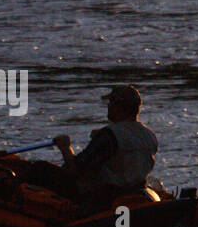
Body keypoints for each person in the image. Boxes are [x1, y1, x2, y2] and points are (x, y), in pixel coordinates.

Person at [23, 84, 159, 208]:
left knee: (40, 169)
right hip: (135, 190)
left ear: (118, 106)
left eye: (111, 102)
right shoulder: (149, 135)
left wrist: (65, 147)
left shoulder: (109, 135)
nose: (108, 105)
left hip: (105, 197)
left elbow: (74, 171)